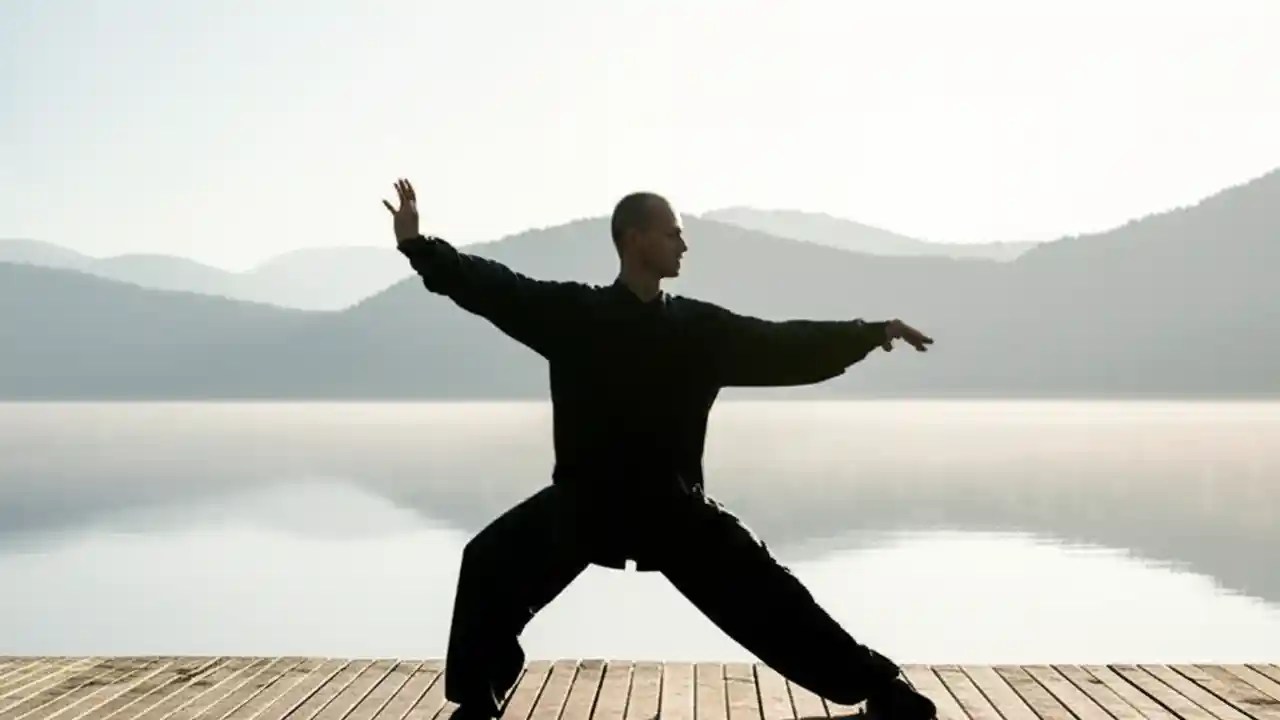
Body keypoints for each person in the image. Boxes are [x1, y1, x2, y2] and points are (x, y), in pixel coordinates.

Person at [382, 178, 938, 720]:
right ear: (634, 239)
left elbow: (784, 344)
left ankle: (882, 688)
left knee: (777, 603)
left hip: (672, 513)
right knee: (487, 565)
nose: (684, 245)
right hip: (586, 505)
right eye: (673, 233)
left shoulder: (698, 329)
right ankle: (479, 701)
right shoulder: (576, 315)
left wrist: (871, 332)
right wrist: (417, 246)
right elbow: (493, 286)